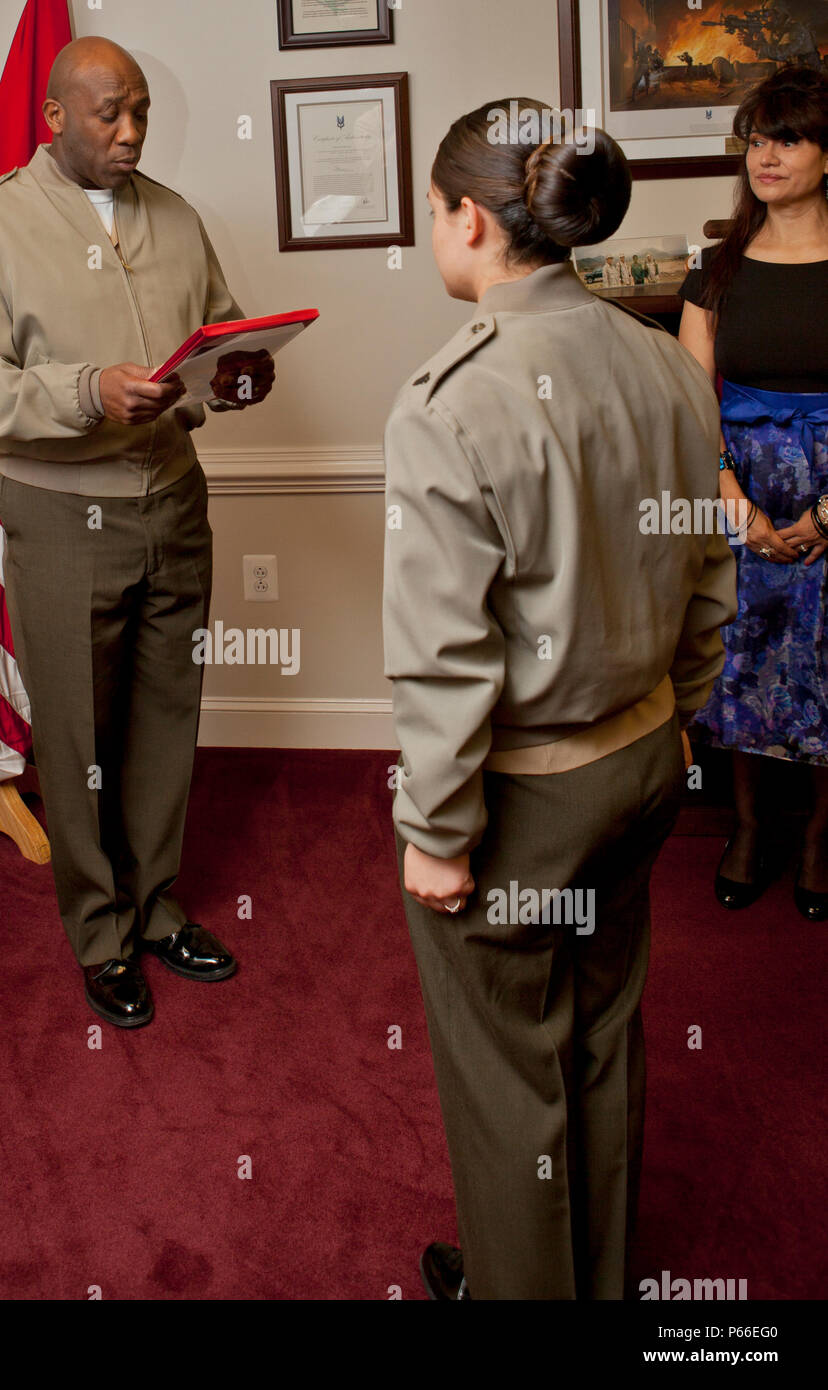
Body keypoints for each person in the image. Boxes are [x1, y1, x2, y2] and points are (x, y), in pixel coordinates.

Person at [382, 98, 737, 1299]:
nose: (436, 229)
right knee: (598, 1033)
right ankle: (595, 1271)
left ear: (470, 219)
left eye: (434, 211)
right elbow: (710, 572)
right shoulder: (662, 360)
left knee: (506, 1074)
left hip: (525, 794)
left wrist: (434, 830)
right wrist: (675, 711)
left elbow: (443, 656)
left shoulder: (450, 397)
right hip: (645, 762)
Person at [0, 37, 274, 1027]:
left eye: (139, 116)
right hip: (63, 513)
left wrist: (243, 372)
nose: (129, 134)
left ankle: (157, 905)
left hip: (176, 496)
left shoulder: (175, 215)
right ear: (55, 117)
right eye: (107, 115)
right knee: (81, 736)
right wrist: (87, 390)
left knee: (165, 724)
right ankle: (101, 933)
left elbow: (220, 332)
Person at [678, 66, 828, 919]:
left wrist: (822, 518)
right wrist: (739, 508)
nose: (765, 156)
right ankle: (745, 826)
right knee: (740, 664)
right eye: (756, 140)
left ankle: (817, 840)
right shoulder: (715, 270)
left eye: (789, 138)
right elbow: (695, 410)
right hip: (739, 497)